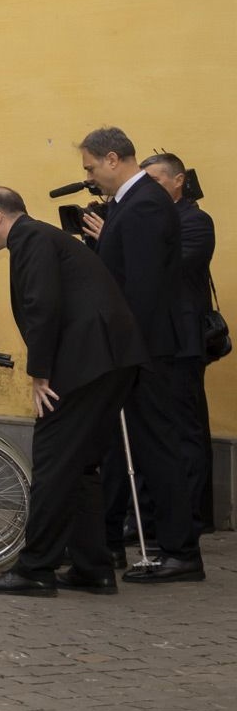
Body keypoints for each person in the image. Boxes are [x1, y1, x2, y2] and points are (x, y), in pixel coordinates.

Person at [0, 187, 145, 596]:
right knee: (80, 464)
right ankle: (92, 567)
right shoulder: (43, 237)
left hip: (84, 362)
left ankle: (35, 569)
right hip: (112, 360)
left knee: (50, 461)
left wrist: (40, 373)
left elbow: (43, 305)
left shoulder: (30, 238)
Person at [75, 127, 203, 582]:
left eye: (91, 168)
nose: (89, 178)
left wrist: (126, 349)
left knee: (157, 448)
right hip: (136, 347)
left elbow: (144, 289)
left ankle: (181, 552)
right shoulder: (133, 203)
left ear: (113, 159)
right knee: (122, 445)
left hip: (145, 350)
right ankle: (108, 544)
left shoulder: (145, 203)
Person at [141, 152, 217, 533]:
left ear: (178, 180)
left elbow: (168, 269)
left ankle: (189, 517)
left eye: (154, 181)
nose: (148, 190)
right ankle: (157, 514)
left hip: (183, 342)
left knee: (185, 430)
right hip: (154, 341)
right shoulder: (149, 221)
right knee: (158, 432)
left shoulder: (196, 221)